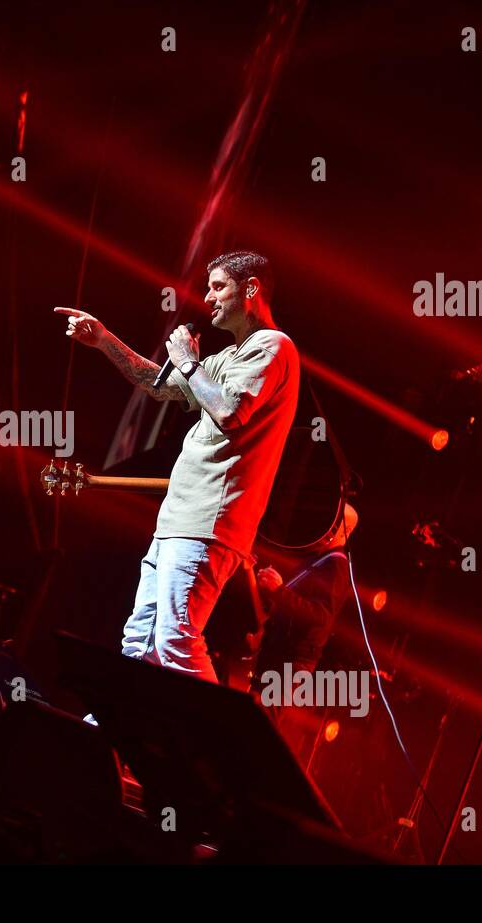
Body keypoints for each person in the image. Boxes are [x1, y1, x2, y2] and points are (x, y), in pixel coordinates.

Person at [57, 251, 300, 683]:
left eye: (218, 287)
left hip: (210, 521)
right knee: (139, 642)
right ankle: (117, 728)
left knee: (175, 640)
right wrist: (104, 340)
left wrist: (188, 361)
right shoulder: (230, 355)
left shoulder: (273, 348)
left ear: (251, 289)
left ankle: (217, 741)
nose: (208, 297)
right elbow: (158, 385)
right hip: (179, 520)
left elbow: (229, 412)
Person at [252, 503, 359, 681]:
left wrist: (279, 591)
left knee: (265, 708)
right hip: (281, 651)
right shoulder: (319, 558)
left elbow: (321, 615)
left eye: (331, 521)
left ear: (344, 530)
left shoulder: (336, 565)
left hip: (294, 659)